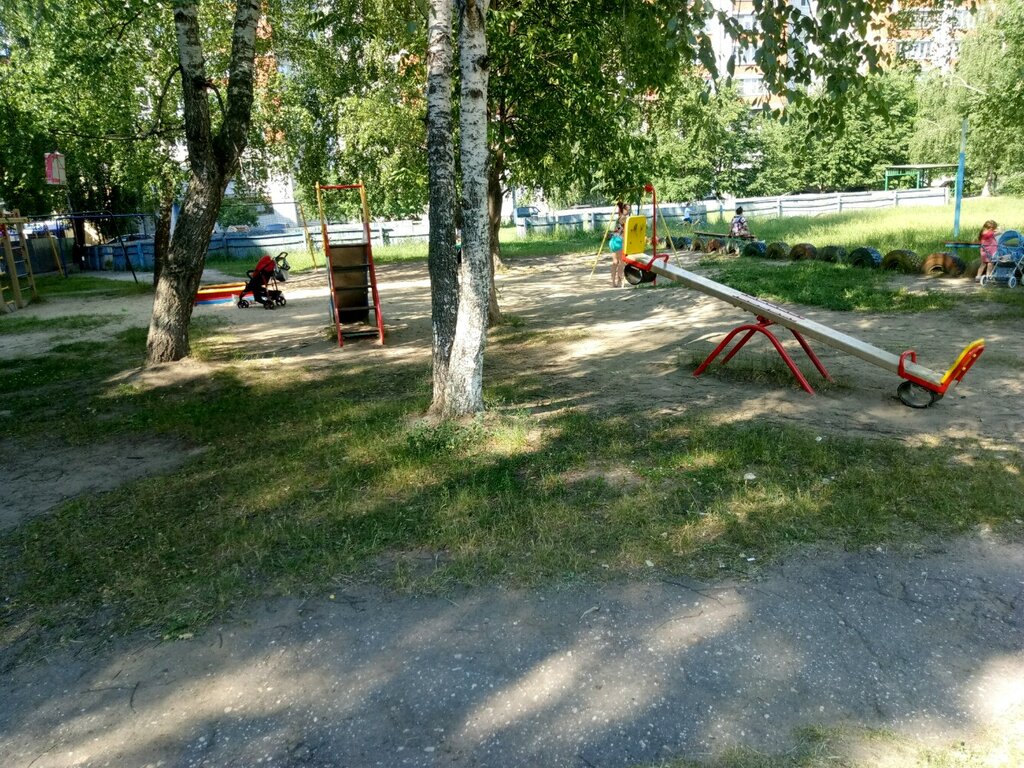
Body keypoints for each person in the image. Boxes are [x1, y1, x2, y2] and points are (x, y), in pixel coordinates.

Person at [609, 201, 629, 287]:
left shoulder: (619, 218)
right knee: (621, 262)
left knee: (615, 262)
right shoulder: (624, 218)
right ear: (624, 210)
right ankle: (621, 282)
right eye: (627, 209)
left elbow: (618, 229)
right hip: (619, 241)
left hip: (613, 241)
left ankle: (613, 282)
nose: (628, 211)